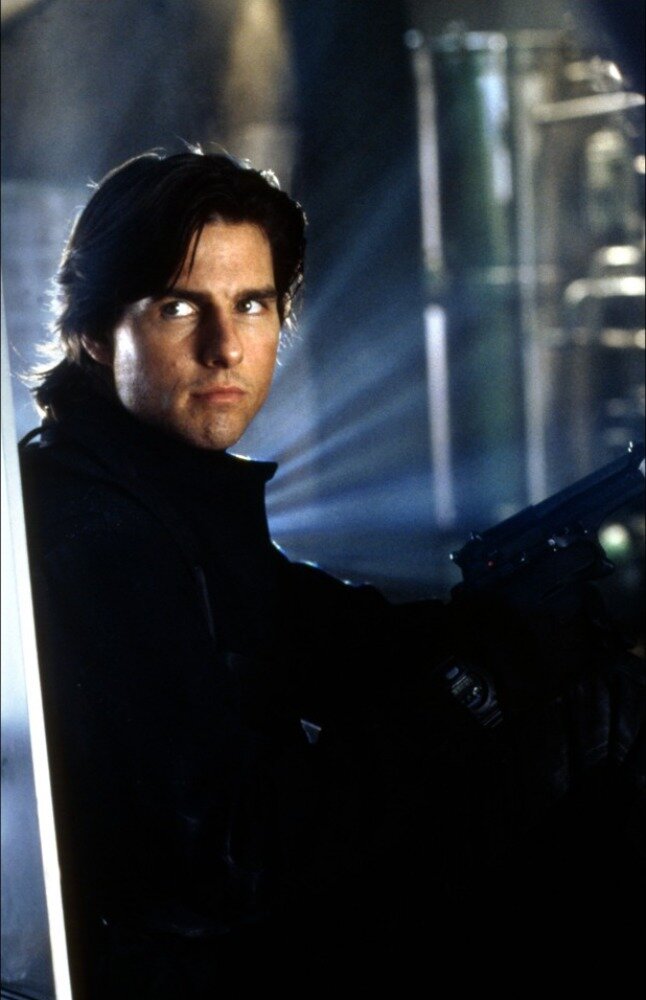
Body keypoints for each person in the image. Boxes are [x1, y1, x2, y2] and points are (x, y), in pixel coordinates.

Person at [19, 149, 644, 997]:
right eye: (178, 307)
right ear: (95, 333)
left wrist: (502, 627)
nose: (225, 348)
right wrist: (472, 685)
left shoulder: (157, 488)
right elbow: (225, 861)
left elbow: (327, 634)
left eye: (252, 304)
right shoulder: (98, 530)